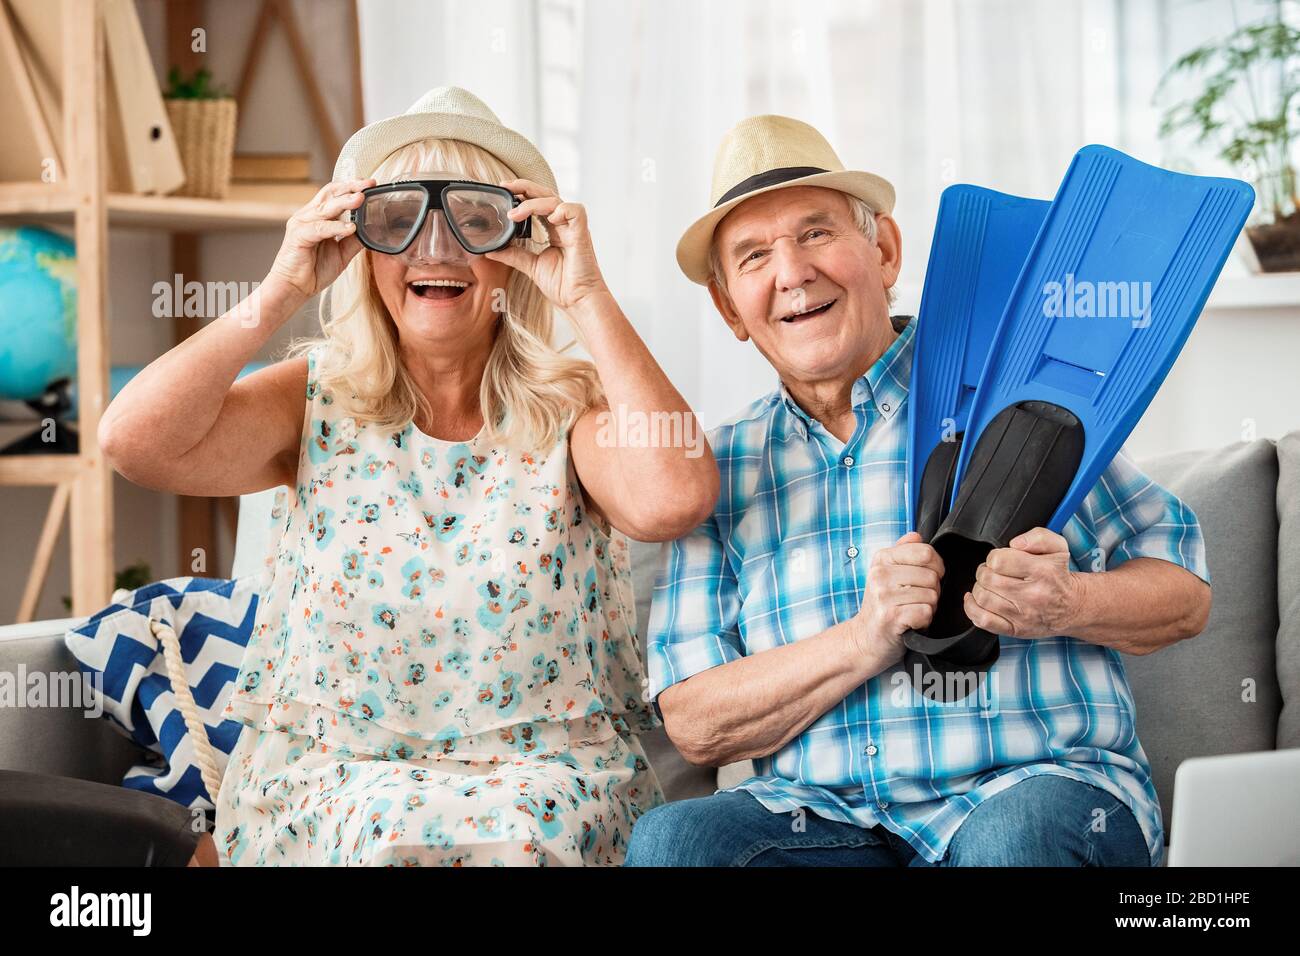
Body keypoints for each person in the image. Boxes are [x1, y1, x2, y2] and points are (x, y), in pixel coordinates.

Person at [99, 87, 718, 866]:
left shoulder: (573, 408)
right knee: (386, 829)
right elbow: (131, 443)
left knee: (521, 831)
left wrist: (586, 294)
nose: (436, 247)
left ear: (515, 248)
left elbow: (676, 497)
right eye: (398, 221)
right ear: (362, 248)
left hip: (545, 778)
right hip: (339, 779)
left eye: (475, 218)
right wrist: (280, 292)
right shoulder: (314, 399)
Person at [624, 114, 1210, 867]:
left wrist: (1071, 602)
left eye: (815, 233)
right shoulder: (720, 472)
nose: (793, 272)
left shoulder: (1012, 400)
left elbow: (1186, 594)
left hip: (1030, 791)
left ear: (885, 250)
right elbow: (695, 722)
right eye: (754, 256)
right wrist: (864, 638)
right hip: (823, 826)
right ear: (729, 309)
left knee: (1014, 841)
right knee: (675, 844)